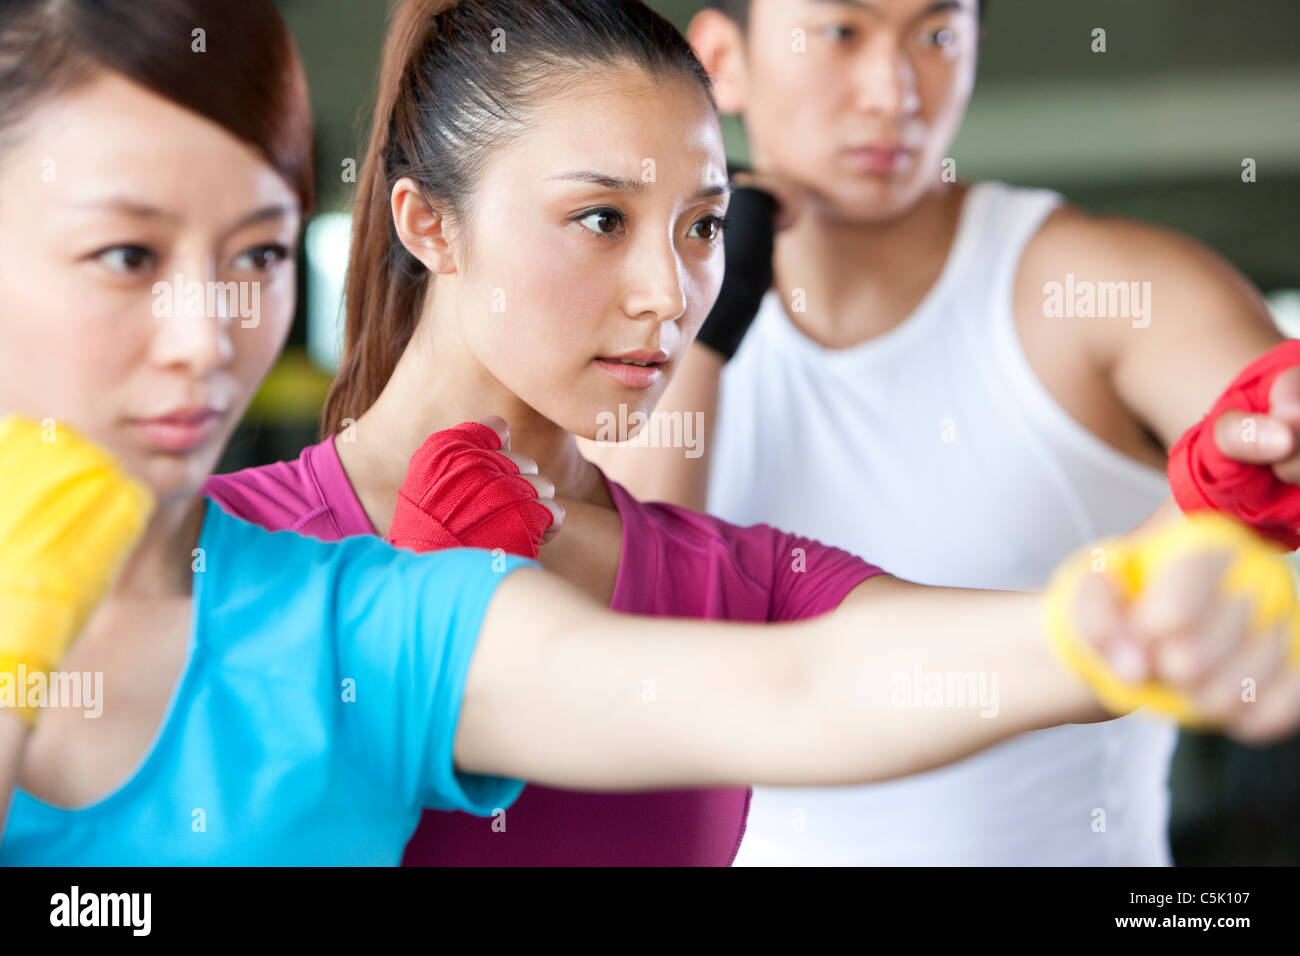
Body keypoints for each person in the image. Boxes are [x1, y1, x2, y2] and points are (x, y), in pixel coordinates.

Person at [203, 0, 1300, 867]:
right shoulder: (221, 550)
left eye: (702, 226)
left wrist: (1193, 546)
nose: (667, 291)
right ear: (426, 223)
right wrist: (409, 648)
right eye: (601, 219)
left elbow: (848, 680)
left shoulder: (730, 572)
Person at [582, 0, 1300, 865]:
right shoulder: (633, 325)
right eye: (843, 33)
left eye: (936, 35)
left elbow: (1266, 419)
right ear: (721, 62)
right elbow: (622, 642)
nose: (894, 93)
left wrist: (1263, 454)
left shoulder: (1097, 285)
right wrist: (709, 323)